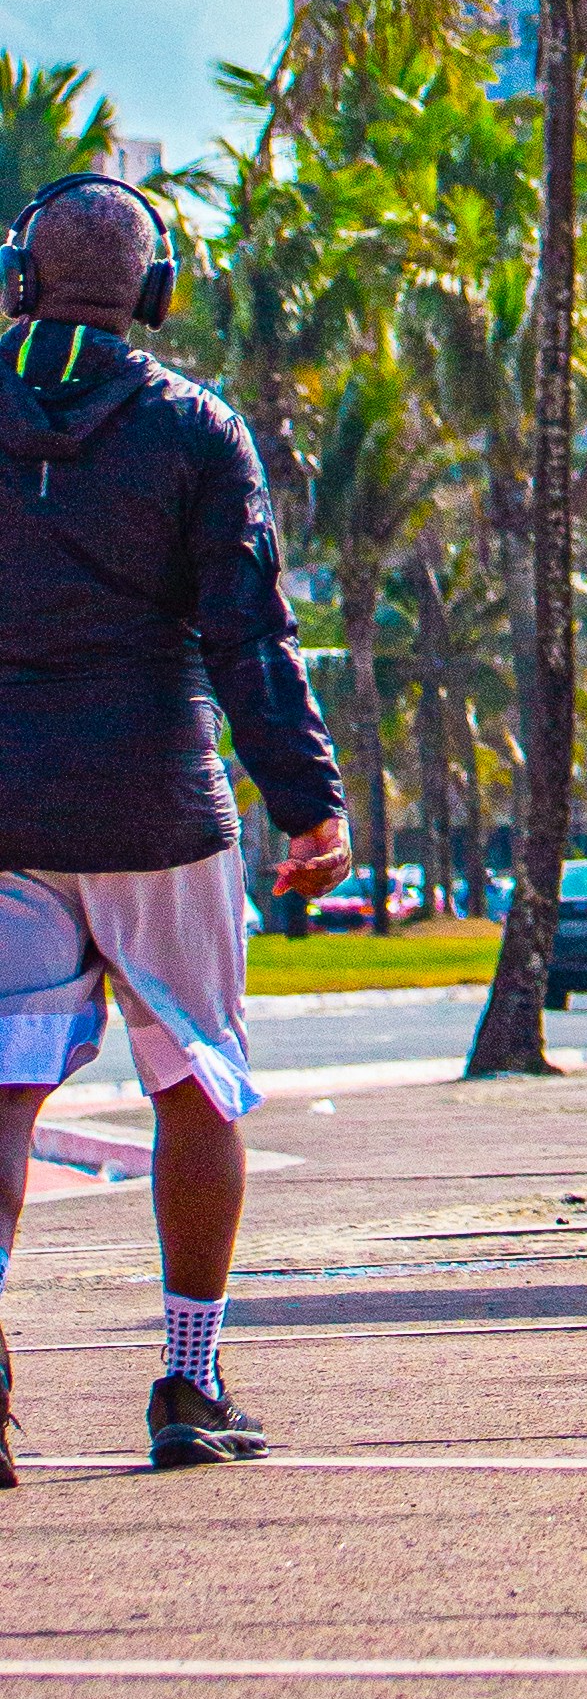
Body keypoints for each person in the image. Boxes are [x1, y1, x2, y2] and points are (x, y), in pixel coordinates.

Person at [0, 176, 349, 1480]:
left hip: (5, 807)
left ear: (21, 280)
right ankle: (191, 1385)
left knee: (6, 1090)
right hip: (156, 804)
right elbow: (248, 636)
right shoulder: (196, 430)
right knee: (195, 1082)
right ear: (154, 295)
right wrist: (308, 802)